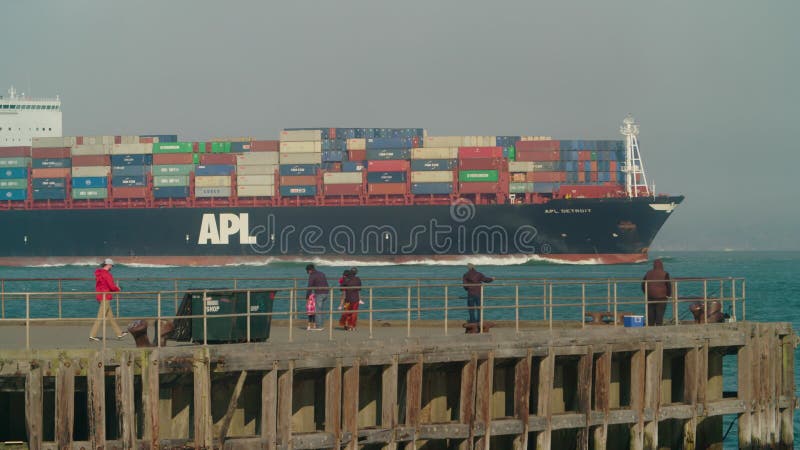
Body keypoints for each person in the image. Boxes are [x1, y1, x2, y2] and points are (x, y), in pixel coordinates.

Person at [89, 258, 128, 341]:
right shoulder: (107, 274)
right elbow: (111, 286)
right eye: (111, 266)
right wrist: (118, 289)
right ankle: (92, 335)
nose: (112, 267)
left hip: (99, 296)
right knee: (100, 317)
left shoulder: (99, 273)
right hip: (105, 297)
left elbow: (100, 285)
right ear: (109, 265)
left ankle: (119, 333)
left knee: (110, 317)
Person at [641, 259, 672, 326]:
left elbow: (643, 284)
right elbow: (668, 285)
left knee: (651, 314)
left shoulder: (648, 273)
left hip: (650, 297)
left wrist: (646, 293)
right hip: (661, 297)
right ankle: (658, 327)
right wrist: (668, 295)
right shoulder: (665, 273)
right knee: (659, 314)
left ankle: (650, 326)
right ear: (662, 265)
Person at [305, 264, 329, 330]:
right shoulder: (322, 273)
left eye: (307, 271)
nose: (308, 273)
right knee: (321, 310)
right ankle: (321, 325)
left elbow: (309, 287)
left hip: (319, 293)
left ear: (309, 270)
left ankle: (319, 326)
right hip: (326, 293)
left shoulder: (312, 275)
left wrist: (307, 297)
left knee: (317, 310)